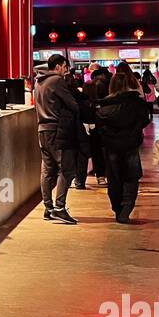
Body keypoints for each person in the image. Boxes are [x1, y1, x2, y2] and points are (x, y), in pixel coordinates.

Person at [96, 71, 152, 224]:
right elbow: (145, 120)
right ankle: (127, 207)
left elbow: (99, 125)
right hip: (131, 144)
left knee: (114, 178)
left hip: (111, 146)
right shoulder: (137, 103)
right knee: (131, 177)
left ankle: (117, 208)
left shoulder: (104, 106)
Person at [34, 54, 80, 224]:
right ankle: (59, 207)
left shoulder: (39, 81)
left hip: (42, 130)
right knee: (66, 169)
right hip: (55, 129)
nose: (66, 71)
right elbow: (72, 104)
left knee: (47, 169)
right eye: (65, 67)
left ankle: (48, 207)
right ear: (59, 66)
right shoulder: (56, 81)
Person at [87, 67, 112, 185]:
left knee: (96, 149)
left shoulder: (92, 87)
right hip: (107, 124)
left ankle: (100, 175)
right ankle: (109, 173)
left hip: (95, 124)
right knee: (107, 150)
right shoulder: (110, 87)